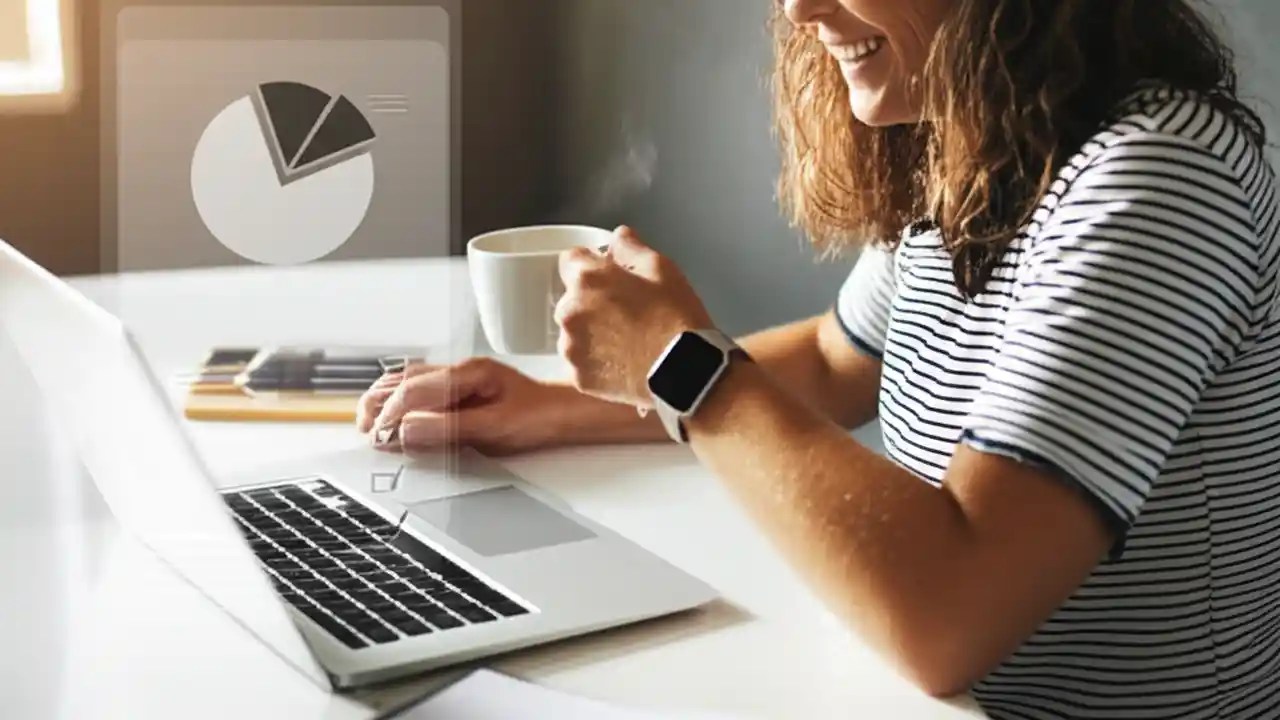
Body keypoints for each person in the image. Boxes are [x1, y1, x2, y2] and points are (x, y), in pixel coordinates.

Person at [359, 1, 1279, 717]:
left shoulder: (1158, 179)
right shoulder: (985, 141)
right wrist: (555, 403)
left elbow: (952, 617)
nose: (799, 12)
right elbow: (841, 358)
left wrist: (682, 367)